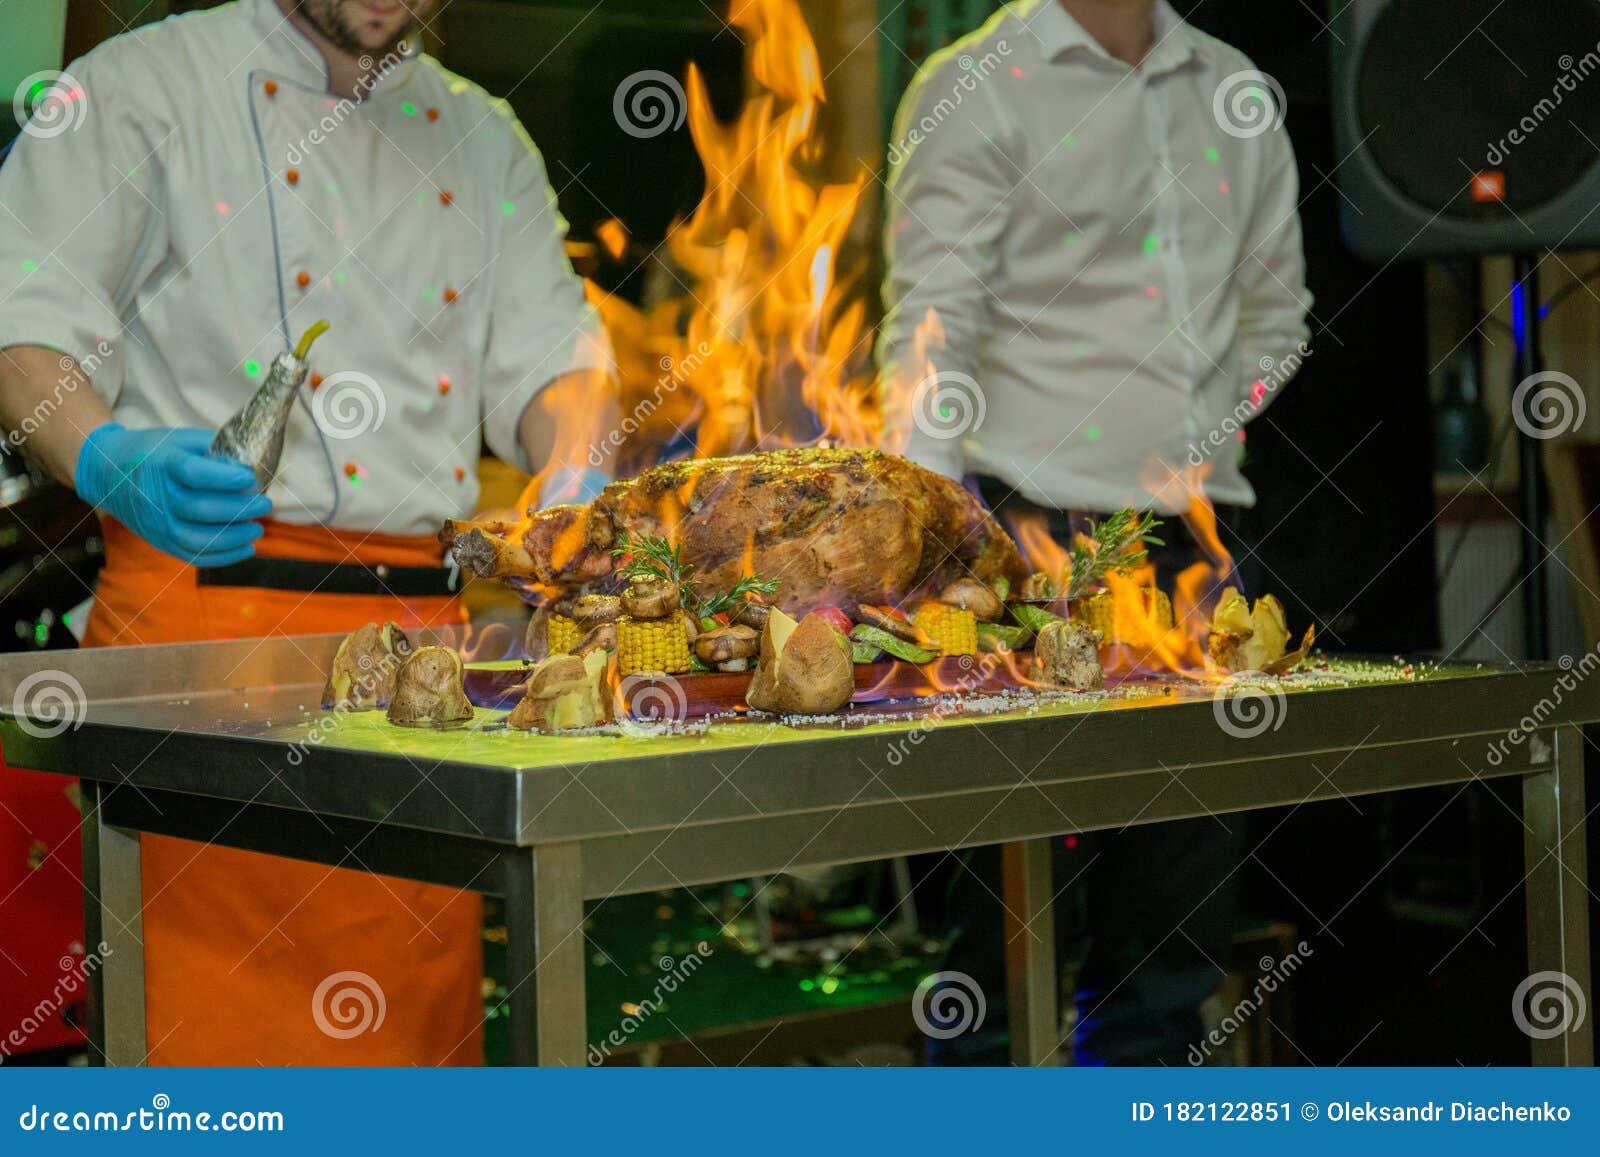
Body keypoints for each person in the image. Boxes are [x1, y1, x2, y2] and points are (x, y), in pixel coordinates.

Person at [0, 0, 616, 1064]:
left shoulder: (483, 136)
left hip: (422, 675)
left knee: (410, 1076)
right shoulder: (137, 89)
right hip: (200, 648)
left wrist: (573, 472)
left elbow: (558, 356)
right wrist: (103, 454)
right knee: (204, 1071)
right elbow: (22, 322)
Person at [878, 0, 1311, 1063]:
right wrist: (926, 557)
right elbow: (929, 332)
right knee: (1004, 939)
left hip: (1196, 556)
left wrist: (1201, 437)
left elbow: (1277, 321)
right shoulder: (974, 82)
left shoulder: (1235, 88)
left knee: (1173, 943)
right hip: (1023, 546)